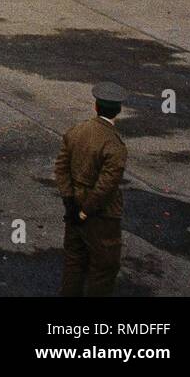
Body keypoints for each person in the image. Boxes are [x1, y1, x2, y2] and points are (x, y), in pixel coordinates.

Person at [56, 81, 128, 297]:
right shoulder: (114, 145)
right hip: (101, 216)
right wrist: (85, 211)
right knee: (103, 268)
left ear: (96, 106)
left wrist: (70, 203)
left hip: (74, 205)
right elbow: (107, 185)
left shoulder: (77, 131)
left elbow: (61, 168)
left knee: (74, 262)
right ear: (118, 110)